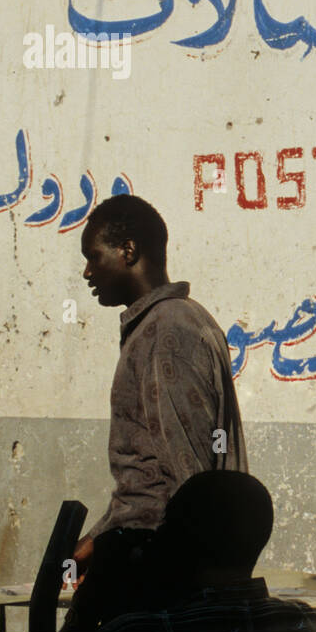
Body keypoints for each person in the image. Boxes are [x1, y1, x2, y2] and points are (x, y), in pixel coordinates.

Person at [72, 195, 247, 578]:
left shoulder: (168, 330)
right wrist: (100, 538)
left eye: (94, 257)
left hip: (156, 564)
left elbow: (191, 483)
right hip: (143, 550)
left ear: (128, 250)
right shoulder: (167, 323)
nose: (87, 273)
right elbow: (147, 478)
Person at [93, 471, 316, 632]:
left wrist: (87, 608)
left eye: (165, 527)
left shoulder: (136, 628)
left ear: (176, 540)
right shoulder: (300, 619)